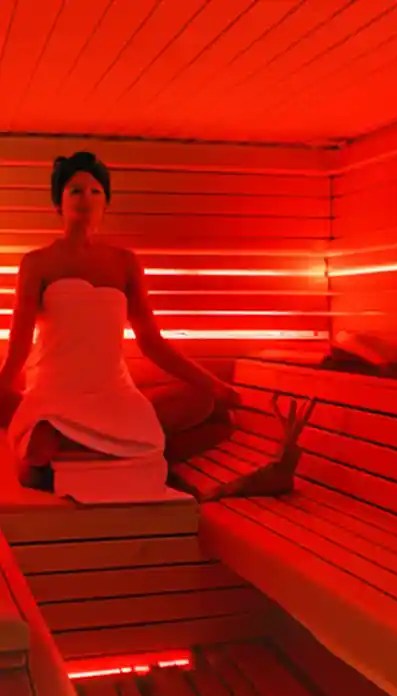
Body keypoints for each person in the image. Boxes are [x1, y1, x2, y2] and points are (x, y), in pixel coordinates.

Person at [0, 152, 241, 492]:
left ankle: (96, 451)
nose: (86, 198)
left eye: (95, 191)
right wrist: (2, 388)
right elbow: (19, 346)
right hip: (56, 392)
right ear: (58, 204)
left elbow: (152, 342)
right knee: (33, 455)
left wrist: (214, 384)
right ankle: (113, 452)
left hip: (112, 392)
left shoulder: (124, 262)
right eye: (75, 191)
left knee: (204, 403)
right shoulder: (37, 263)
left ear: (106, 204)